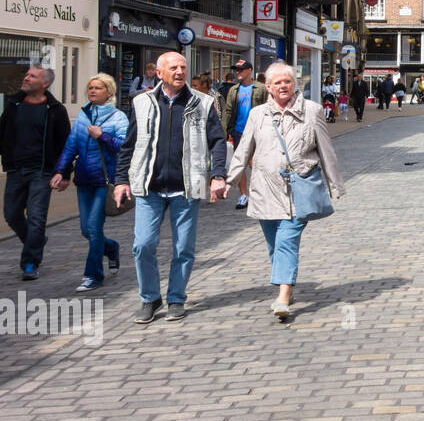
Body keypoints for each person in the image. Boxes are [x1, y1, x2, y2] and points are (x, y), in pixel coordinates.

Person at [225, 61, 344, 319]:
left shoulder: (312, 111)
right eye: (277, 82)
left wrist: (334, 185)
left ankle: (282, 297)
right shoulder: (257, 114)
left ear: (295, 84)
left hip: (297, 188)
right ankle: (285, 284)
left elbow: (326, 150)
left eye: (287, 81)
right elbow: (244, 149)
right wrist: (229, 182)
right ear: (267, 86)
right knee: (273, 244)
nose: (283, 86)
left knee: (286, 241)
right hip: (264, 189)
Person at [114, 52, 228, 323]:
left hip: (187, 188)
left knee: (183, 248)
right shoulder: (141, 102)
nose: (179, 71)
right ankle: (150, 298)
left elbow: (218, 141)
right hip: (149, 187)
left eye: (183, 67)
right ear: (159, 73)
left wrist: (219, 175)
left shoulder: (202, 102)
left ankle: (176, 298)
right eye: (173, 67)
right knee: (142, 245)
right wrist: (120, 180)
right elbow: (128, 145)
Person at [50, 74, 130, 291]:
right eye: (90, 87)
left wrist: (102, 135)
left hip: (105, 181)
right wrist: (61, 171)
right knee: (86, 230)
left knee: (94, 229)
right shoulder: (83, 116)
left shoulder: (118, 117)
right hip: (84, 179)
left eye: (98, 88)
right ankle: (111, 248)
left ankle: (93, 275)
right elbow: (71, 146)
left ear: (109, 92)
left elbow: (124, 146)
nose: (92, 91)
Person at [2, 65, 71, 280]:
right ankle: (36, 241)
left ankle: (30, 262)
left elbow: (66, 144)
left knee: (36, 218)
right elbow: (2, 133)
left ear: (45, 83)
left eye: (33, 76)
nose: (27, 78)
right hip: (15, 169)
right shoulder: (13, 104)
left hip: (42, 172)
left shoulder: (55, 110)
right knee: (12, 215)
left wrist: (65, 173)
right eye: (27, 75)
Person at [224, 59, 267, 211]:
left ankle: (260, 193)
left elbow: (268, 108)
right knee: (240, 163)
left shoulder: (261, 88)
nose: (238, 72)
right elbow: (228, 111)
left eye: (241, 70)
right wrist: (226, 131)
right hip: (238, 131)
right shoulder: (234, 90)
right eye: (236, 70)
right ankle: (243, 195)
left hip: (257, 131)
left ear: (249, 70)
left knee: (255, 163)